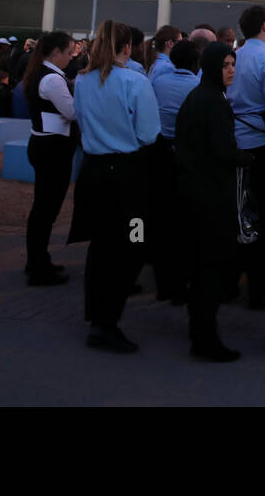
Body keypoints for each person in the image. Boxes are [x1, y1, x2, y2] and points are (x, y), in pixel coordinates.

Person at [72, 20, 161, 353]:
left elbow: (79, 120)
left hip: (94, 172)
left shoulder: (82, 81)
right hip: (126, 173)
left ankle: (98, 317)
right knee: (130, 247)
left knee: (100, 248)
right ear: (128, 48)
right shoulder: (135, 82)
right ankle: (107, 321)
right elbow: (149, 133)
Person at [175, 42, 252, 362]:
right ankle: (205, 339)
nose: (231, 70)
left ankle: (200, 331)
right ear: (210, 67)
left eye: (233, 64)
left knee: (202, 267)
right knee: (210, 269)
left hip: (194, 192)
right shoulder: (213, 102)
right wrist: (249, 158)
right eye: (225, 65)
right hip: (210, 198)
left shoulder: (198, 97)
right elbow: (222, 151)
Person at [228, 5, 265, 310]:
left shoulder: (232, 57)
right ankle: (260, 288)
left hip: (232, 144)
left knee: (235, 213)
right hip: (263, 147)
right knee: (264, 219)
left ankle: (229, 281)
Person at [22, 31, 77, 286]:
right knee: (46, 209)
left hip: (44, 144)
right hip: (52, 149)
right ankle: (37, 264)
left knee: (43, 209)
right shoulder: (53, 80)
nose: (71, 57)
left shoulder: (41, 73)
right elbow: (72, 111)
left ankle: (38, 260)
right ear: (56, 52)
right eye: (68, 52)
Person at [148, 39, 200, 302]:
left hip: (159, 156)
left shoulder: (157, 83)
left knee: (162, 222)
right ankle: (181, 284)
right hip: (185, 160)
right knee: (185, 225)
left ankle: (164, 284)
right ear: (195, 62)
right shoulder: (197, 87)